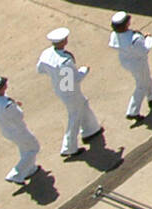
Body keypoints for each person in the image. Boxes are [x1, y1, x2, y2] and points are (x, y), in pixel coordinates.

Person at [36, 28, 103, 157]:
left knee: (83, 105)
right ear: (64, 41)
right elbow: (73, 80)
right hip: (69, 92)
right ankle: (69, 147)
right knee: (75, 116)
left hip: (58, 88)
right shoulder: (64, 61)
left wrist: (54, 74)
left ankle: (91, 129)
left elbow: (40, 69)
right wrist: (84, 70)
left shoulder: (46, 54)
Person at [0, 76, 41, 184]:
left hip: (7, 130)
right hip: (18, 130)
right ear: (0, 89)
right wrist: (16, 107)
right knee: (34, 148)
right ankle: (15, 173)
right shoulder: (7, 105)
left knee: (24, 148)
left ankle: (29, 169)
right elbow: (19, 115)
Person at [109, 12, 152, 121]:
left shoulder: (114, 35)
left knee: (145, 78)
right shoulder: (135, 38)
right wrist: (148, 39)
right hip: (138, 63)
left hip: (126, 61)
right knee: (141, 85)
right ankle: (133, 111)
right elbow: (144, 51)